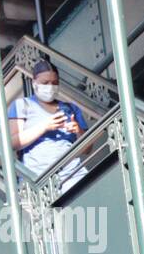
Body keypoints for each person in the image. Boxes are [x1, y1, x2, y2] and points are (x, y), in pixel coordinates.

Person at [8, 60, 88, 188]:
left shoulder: (71, 108)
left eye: (55, 83)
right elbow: (13, 143)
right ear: (34, 83)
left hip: (72, 175)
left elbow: (88, 149)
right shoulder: (22, 105)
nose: (50, 87)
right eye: (45, 83)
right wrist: (45, 126)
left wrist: (78, 130)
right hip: (38, 178)